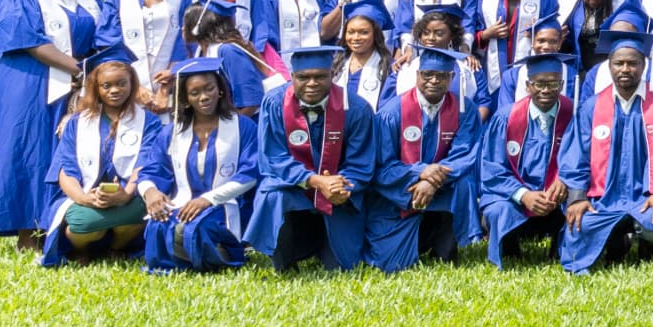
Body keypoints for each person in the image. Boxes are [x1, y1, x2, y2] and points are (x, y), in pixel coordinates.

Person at [0, 0, 104, 246]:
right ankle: (27, 232)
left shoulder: (89, 1)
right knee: (27, 148)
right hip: (28, 84)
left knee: (66, 150)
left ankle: (59, 227)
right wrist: (80, 70)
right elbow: (32, 43)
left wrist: (90, 75)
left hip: (76, 84)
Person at [557, 34, 653, 274]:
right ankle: (616, 241)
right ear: (609, 67)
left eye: (632, 63)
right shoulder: (592, 107)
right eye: (619, 63)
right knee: (581, 225)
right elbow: (577, 155)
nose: (625, 69)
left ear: (643, 67)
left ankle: (647, 245)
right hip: (602, 199)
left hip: (644, 197)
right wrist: (577, 197)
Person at [247, 45, 386, 273]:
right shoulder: (274, 103)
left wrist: (341, 187)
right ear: (292, 76)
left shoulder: (356, 108)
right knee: (272, 196)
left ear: (332, 75)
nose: (312, 83)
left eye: (320, 77)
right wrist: (315, 181)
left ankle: (327, 245)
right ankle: (284, 261)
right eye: (303, 77)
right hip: (293, 188)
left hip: (338, 196)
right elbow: (273, 157)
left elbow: (361, 162)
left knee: (341, 266)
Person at [39, 46, 171, 266]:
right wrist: (84, 198)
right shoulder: (77, 122)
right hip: (85, 196)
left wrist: (126, 195)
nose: (114, 90)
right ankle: (82, 250)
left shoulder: (148, 122)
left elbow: (146, 163)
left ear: (132, 84)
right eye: (106, 86)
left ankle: (116, 248)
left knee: (143, 209)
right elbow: (65, 170)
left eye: (122, 83)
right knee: (82, 222)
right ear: (95, 87)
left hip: (130, 196)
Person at [141, 57, 260, 274]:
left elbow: (250, 173)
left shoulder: (243, 126)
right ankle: (197, 254)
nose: (204, 97)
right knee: (159, 224)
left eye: (209, 89)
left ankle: (218, 252)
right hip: (183, 202)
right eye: (195, 93)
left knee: (196, 229)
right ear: (186, 99)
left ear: (220, 90)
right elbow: (153, 169)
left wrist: (208, 199)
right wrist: (150, 192)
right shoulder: (172, 132)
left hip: (225, 205)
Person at [367, 45, 480, 270]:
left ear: (452, 78)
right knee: (390, 264)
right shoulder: (392, 112)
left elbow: (465, 153)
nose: (434, 81)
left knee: (464, 182)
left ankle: (445, 248)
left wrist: (431, 180)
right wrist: (419, 172)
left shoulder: (464, 109)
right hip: (401, 191)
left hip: (444, 184)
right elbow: (382, 166)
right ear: (417, 75)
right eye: (427, 74)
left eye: (442, 76)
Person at [476, 51, 574, 267]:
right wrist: (523, 195)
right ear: (528, 85)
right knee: (498, 209)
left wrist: (565, 181)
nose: (546, 90)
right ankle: (509, 248)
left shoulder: (573, 114)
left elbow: (583, 159)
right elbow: (492, 169)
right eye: (539, 84)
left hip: (558, 199)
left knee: (579, 202)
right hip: (514, 199)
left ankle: (561, 250)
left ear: (562, 84)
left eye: (553, 84)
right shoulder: (506, 117)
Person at [97, 0, 185, 113]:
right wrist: (134, 87)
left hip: (170, 83)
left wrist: (167, 85)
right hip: (125, 85)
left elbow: (185, 40)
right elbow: (108, 41)